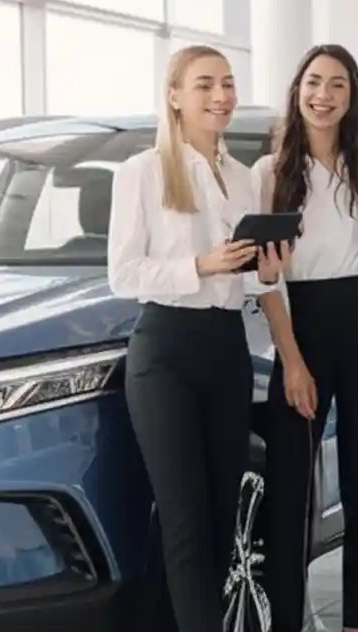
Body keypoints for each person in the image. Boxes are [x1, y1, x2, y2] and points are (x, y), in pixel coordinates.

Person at [106, 44, 289, 631]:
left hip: (225, 350)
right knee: (184, 519)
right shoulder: (142, 172)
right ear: (175, 96)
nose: (221, 96)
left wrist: (266, 268)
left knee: (221, 515)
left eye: (228, 84)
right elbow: (123, 274)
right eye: (206, 84)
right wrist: (201, 265)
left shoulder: (241, 177)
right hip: (165, 352)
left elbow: (258, 280)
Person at [252, 44, 358, 632]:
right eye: (314, 82)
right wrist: (291, 360)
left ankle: (357, 623)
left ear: (352, 97)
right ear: (297, 91)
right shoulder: (270, 174)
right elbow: (263, 279)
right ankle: (287, 621)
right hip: (302, 324)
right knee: (289, 491)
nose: (324, 95)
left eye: (338, 84)